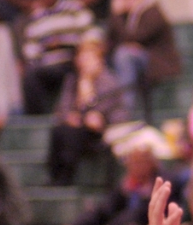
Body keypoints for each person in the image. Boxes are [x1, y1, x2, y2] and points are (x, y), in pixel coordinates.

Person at [47, 31, 130, 186]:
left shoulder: (109, 82)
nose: (84, 62)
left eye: (89, 57)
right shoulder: (73, 81)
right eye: (81, 57)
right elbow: (62, 108)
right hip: (76, 129)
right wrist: (69, 116)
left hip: (100, 133)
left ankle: (66, 178)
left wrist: (101, 119)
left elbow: (117, 113)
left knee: (72, 133)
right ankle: (55, 175)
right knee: (60, 130)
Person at [107, 0, 181, 114]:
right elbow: (110, 42)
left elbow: (136, 37)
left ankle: (126, 110)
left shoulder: (152, 11)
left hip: (158, 64)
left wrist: (116, 16)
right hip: (141, 65)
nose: (123, 0)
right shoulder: (126, 16)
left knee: (124, 55)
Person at [20, 0, 94, 114]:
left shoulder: (73, 8)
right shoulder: (37, 17)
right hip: (47, 63)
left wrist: (65, 42)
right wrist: (45, 47)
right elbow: (30, 48)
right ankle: (37, 120)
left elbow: (90, 33)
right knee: (30, 76)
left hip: (71, 59)